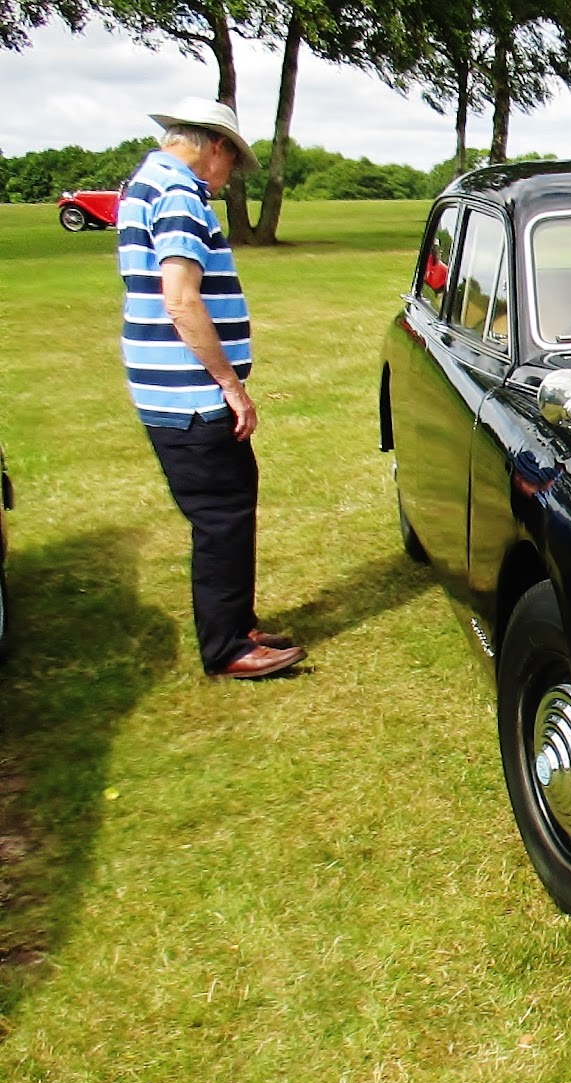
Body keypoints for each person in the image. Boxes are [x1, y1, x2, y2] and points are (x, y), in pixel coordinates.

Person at [117, 98, 306, 680]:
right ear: (215, 146)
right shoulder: (177, 193)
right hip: (191, 393)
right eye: (232, 162)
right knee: (221, 513)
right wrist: (229, 383)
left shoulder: (144, 183)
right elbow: (180, 298)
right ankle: (227, 648)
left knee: (230, 500)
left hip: (170, 387)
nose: (228, 178)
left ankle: (237, 622)